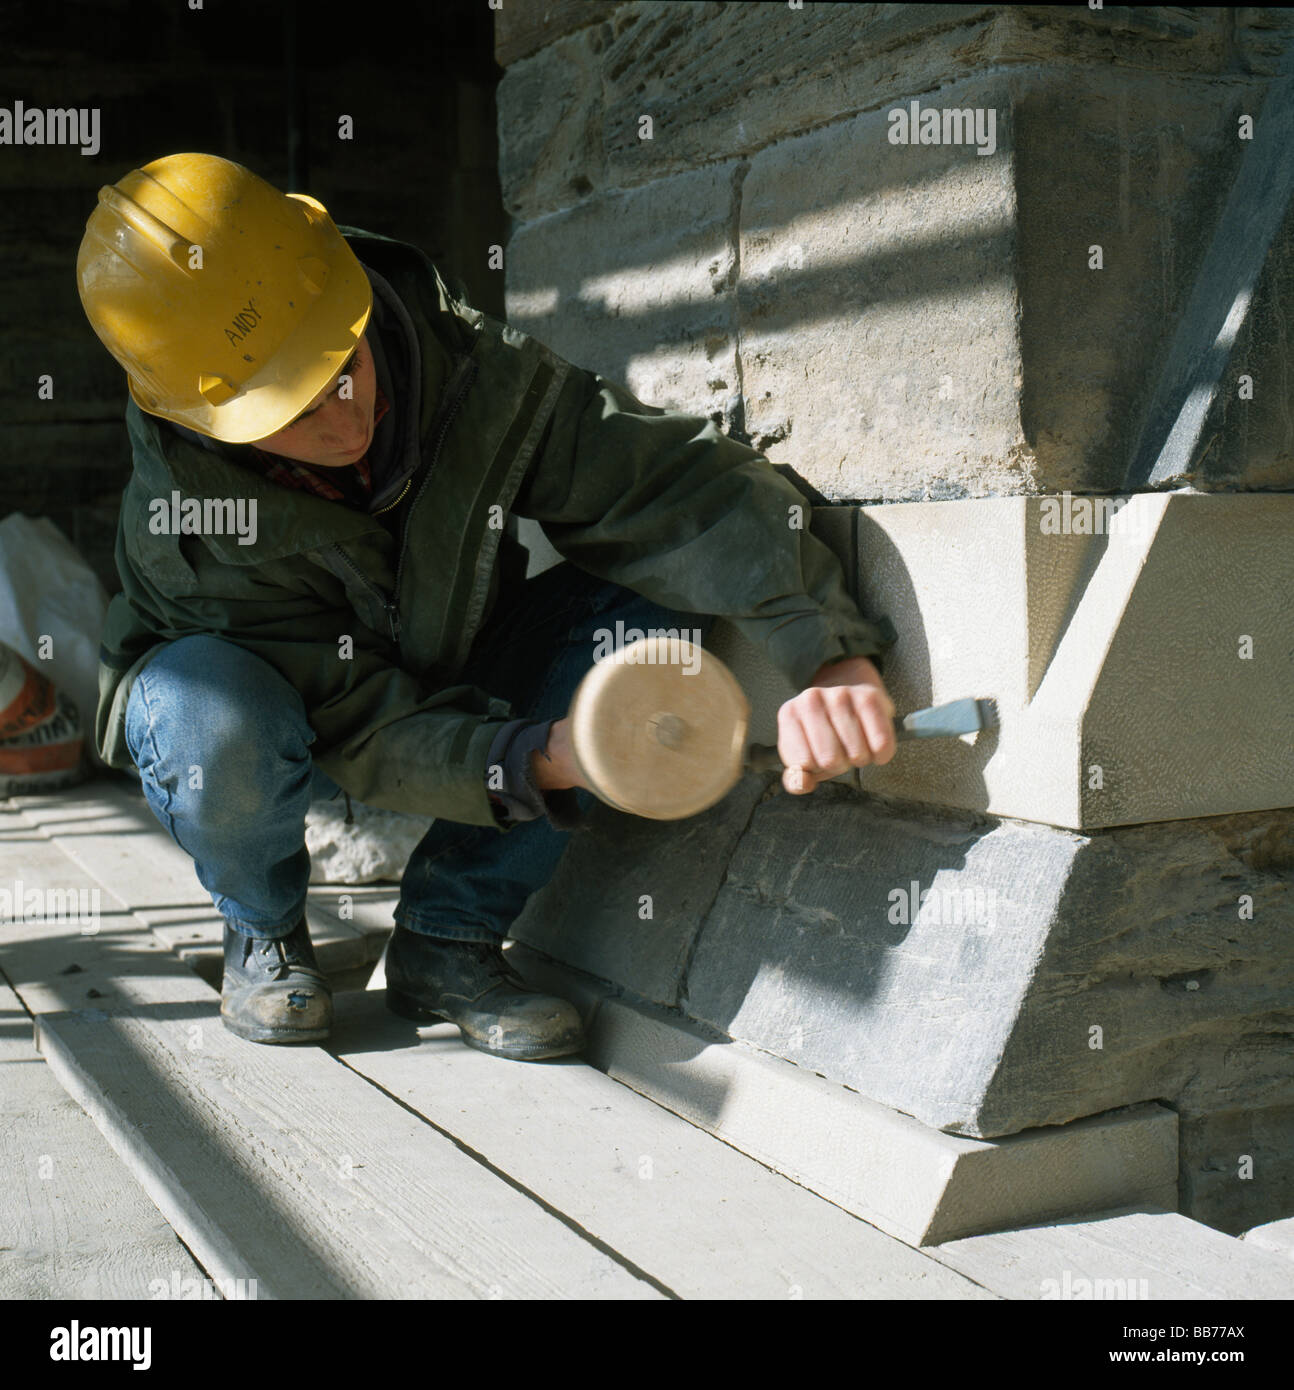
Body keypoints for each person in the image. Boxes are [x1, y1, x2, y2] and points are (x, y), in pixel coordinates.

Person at [76, 153, 899, 1061]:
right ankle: (263, 928)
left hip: (447, 651)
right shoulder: (189, 530)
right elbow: (355, 725)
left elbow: (668, 495)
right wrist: (536, 756)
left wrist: (823, 648)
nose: (346, 419)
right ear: (201, 417)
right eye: (292, 407)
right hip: (276, 710)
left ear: (347, 295)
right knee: (205, 715)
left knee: (651, 588)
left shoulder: (472, 371)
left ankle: (447, 940)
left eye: (341, 365)